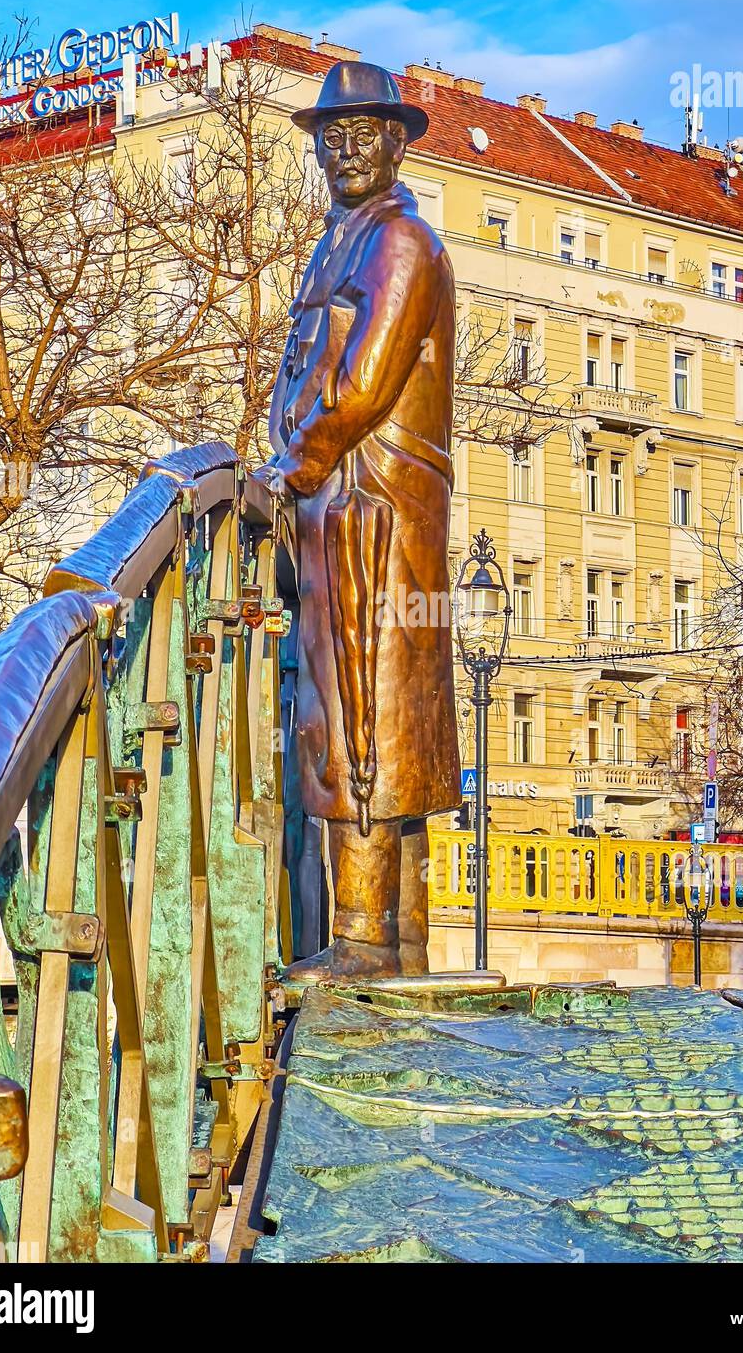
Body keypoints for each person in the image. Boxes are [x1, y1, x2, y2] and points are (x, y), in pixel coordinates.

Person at [263, 62, 460, 981]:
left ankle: (365, 940)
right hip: (346, 509)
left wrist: (291, 465)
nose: (343, 151)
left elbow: (365, 381)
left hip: (369, 511)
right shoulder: (341, 244)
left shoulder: (401, 243)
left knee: (364, 718)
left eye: (360, 136)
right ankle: (400, 938)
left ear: (395, 144)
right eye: (330, 138)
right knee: (372, 715)